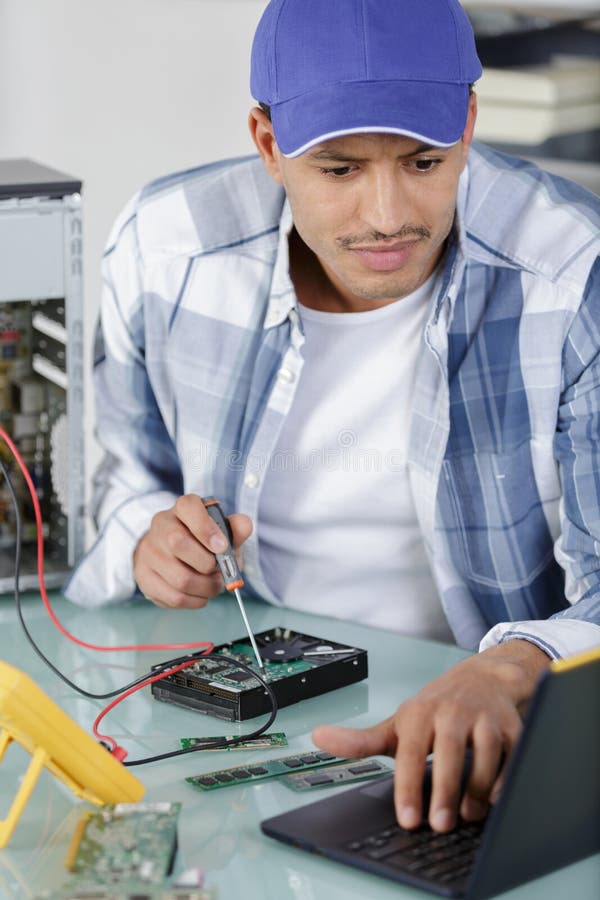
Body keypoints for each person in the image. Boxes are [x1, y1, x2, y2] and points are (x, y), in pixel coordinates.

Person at [65, 0, 600, 834]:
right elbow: (121, 485)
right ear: (268, 144)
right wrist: (148, 539)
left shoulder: (572, 269)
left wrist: (513, 666)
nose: (387, 215)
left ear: (468, 122)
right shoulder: (164, 247)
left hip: (489, 727)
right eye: (340, 169)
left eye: (424, 161)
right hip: (243, 724)